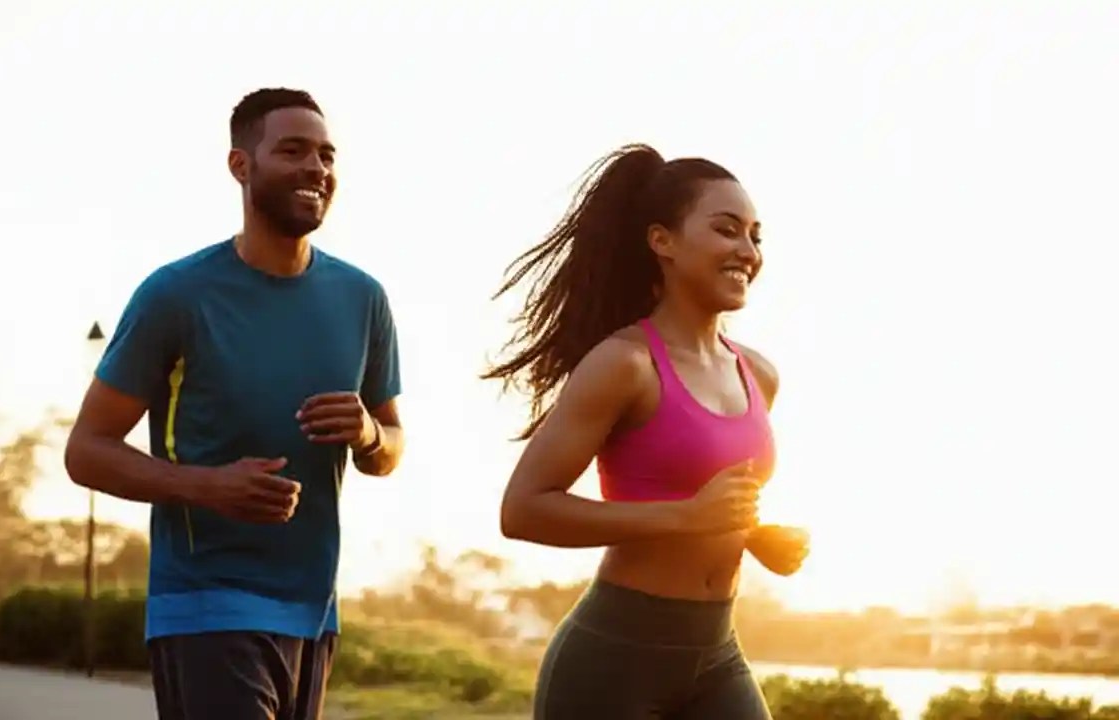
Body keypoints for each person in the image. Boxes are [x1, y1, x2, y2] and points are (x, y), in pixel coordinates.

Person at [63, 87, 404, 720]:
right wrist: (206, 487)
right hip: (204, 602)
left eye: (327, 155)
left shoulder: (363, 299)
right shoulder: (177, 295)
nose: (317, 168)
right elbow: (86, 451)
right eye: (293, 150)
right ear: (240, 166)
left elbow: (390, 444)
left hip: (312, 608)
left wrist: (367, 434)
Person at [483, 143, 808, 719]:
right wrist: (684, 518)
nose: (747, 251)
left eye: (756, 236)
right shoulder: (625, 364)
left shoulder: (758, 374)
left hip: (716, 651)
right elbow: (524, 510)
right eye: (727, 230)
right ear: (663, 242)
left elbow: (706, 495)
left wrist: (753, 535)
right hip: (615, 660)